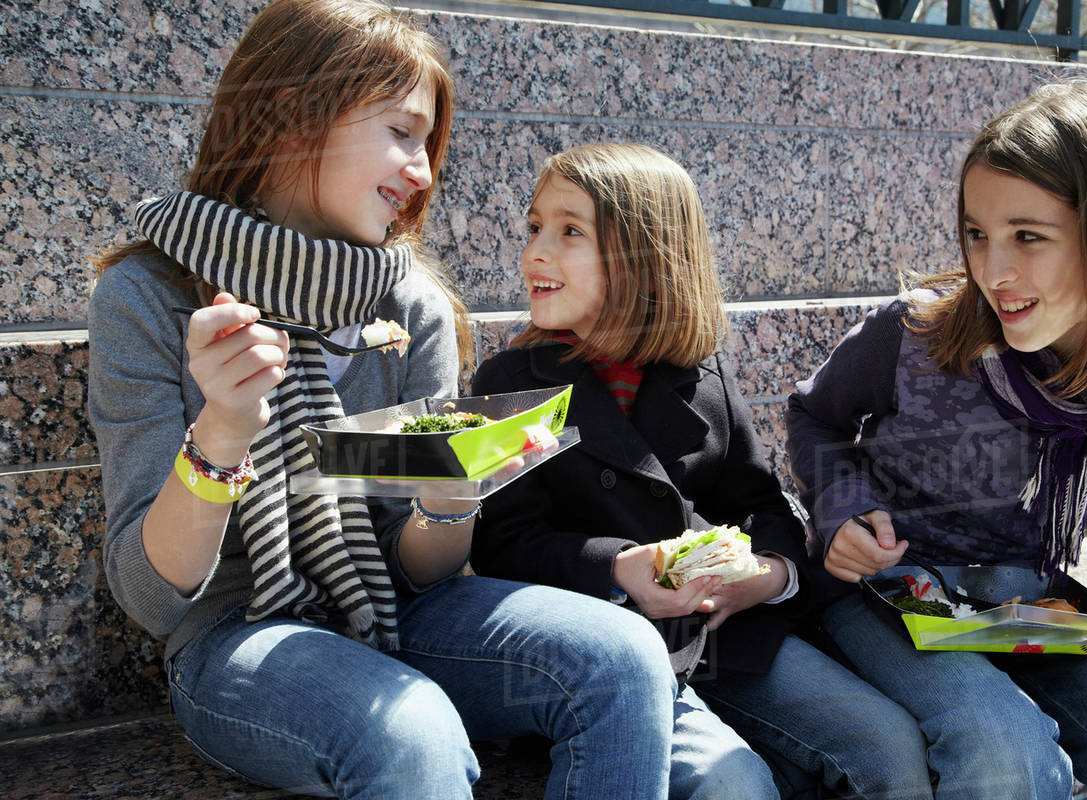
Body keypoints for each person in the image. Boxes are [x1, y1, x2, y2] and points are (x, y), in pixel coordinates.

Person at [87, 3, 771, 798]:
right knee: (409, 727)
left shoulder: (408, 303)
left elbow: (421, 574)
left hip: (395, 608)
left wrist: (450, 501)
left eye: (427, 143)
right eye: (402, 132)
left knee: (622, 650)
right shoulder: (149, 296)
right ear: (290, 116)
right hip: (235, 637)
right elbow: (148, 596)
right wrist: (222, 434)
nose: (422, 172)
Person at [469, 142, 934, 800]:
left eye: (569, 231)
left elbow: (762, 505)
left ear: (644, 256)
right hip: (606, 651)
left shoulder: (701, 374)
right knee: (735, 785)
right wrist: (619, 565)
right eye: (535, 227)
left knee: (888, 744)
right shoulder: (511, 382)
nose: (536, 252)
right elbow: (501, 545)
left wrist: (766, 578)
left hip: (723, 635)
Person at [786, 78, 1087, 799]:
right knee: (1000, 745)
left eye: (1028, 237)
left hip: (1035, 611)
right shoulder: (917, 332)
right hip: (888, 597)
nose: (993, 270)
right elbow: (813, 418)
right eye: (977, 233)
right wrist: (843, 509)